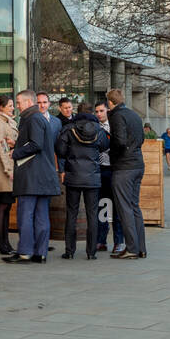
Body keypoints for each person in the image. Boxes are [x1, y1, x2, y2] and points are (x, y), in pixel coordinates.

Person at [3, 88, 61, 264]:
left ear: (29, 102)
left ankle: (25, 252)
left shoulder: (32, 119)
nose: (17, 106)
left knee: (26, 214)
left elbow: (36, 144)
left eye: (19, 102)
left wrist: (16, 152)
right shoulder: (39, 118)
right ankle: (40, 252)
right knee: (41, 215)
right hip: (43, 177)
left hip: (31, 176)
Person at [56, 102, 108, 260]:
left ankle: (69, 251)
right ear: (91, 112)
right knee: (92, 214)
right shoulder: (98, 130)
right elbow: (105, 146)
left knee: (71, 213)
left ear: (77, 112)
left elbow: (60, 150)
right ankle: (91, 252)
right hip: (92, 177)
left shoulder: (69, 129)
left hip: (73, 177)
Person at [106, 87, 146, 259]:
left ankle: (131, 248)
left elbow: (119, 141)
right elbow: (141, 138)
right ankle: (140, 248)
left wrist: (111, 154)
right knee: (134, 206)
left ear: (110, 102)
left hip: (124, 167)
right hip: (138, 164)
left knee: (124, 208)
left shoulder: (116, 116)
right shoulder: (134, 115)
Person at [94, 101, 125, 255]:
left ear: (108, 110)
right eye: (97, 111)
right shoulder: (94, 128)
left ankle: (119, 241)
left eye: (101, 111)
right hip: (100, 170)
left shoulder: (115, 126)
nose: (99, 114)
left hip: (114, 170)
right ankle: (101, 240)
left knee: (117, 208)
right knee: (102, 206)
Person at [0, 95, 17, 256]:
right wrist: (9, 170)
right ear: (1, 107)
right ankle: (1, 242)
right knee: (3, 205)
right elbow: (2, 150)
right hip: (4, 170)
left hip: (10, 168)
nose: (12, 108)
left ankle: (4, 241)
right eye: (10, 105)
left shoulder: (7, 121)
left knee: (7, 207)